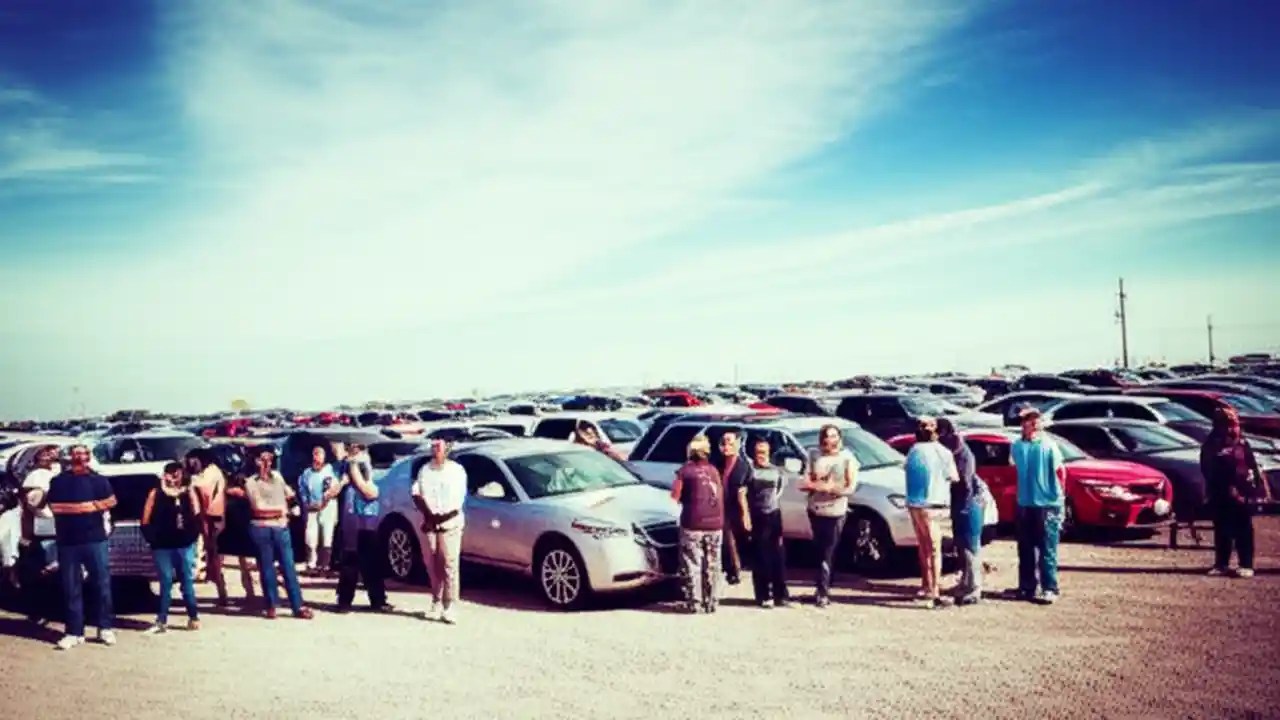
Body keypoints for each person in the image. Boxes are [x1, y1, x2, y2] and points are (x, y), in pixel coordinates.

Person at [45, 444, 117, 650]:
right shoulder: (59, 482)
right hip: (68, 542)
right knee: (71, 587)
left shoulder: (99, 480)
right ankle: (74, 632)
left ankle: (105, 628)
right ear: (69, 458)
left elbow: (111, 501)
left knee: (102, 584)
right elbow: (55, 507)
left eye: (84, 455)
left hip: (96, 539)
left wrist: (92, 506)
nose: (80, 459)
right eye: (76, 455)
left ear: (88, 457)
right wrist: (83, 507)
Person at [1201, 406, 1272, 578]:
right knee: (1222, 530)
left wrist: (1254, 487)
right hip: (1221, 494)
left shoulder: (1243, 443)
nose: (1233, 429)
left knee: (1244, 530)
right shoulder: (1212, 445)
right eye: (1228, 425)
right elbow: (1207, 468)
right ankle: (1221, 564)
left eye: (1235, 425)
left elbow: (1252, 467)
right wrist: (1220, 486)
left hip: (1243, 494)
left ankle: (1246, 564)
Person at [242, 447, 312, 619]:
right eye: (262, 459)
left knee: (288, 567)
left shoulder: (278, 477)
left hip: (281, 527)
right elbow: (257, 509)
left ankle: (298, 605)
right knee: (267, 568)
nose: (266, 463)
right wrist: (281, 511)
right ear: (255, 461)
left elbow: (290, 494)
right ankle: (271, 605)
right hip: (261, 527)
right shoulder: (250, 482)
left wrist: (291, 502)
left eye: (269, 459)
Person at [1009, 408, 1066, 604]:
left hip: (1048, 504)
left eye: (1034, 420)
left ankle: (1050, 587)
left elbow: (1061, 472)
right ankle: (1026, 586)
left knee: (1047, 548)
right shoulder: (1016, 446)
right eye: (1026, 420)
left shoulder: (1049, 446)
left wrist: (1060, 501)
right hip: (1024, 502)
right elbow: (1014, 468)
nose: (1030, 424)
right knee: (1024, 548)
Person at [799, 424, 857, 608]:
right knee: (818, 551)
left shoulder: (847, 458)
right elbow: (804, 481)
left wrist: (832, 488)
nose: (829, 440)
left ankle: (823, 592)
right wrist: (817, 486)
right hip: (815, 509)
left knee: (828, 551)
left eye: (833, 436)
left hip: (836, 510)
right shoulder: (814, 455)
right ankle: (821, 588)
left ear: (839, 438)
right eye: (826, 436)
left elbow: (851, 487)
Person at [141, 462, 202, 633]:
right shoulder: (156, 493)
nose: (173, 478)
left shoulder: (188, 492)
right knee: (166, 581)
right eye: (170, 474)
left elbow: (197, 514)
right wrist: (152, 539)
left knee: (186, 581)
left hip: (184, 544)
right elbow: (145, 518)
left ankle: (193, 616)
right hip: (162, 545)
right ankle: (162, 620)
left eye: (177, 474)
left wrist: (193, 536)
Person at [411, 438, 467, 623]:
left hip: (450, 522)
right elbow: (417, 494)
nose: (435, 450)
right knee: (432, 563)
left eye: (439, 447)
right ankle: (436, 600)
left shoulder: (456, 471)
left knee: (449, 564)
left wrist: (440, 519)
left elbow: (457, 500)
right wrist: (429, 516)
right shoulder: (425, 470)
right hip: (429, 523)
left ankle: (450, 604)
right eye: (433, 447)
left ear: (447, 449)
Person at [904, 417, 958, 609]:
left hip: (914, 503)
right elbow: (954, 477)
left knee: (923, 547)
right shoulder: (943, 452)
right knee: (933, 548)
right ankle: (934, 589)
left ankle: (926, 585)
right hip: (933, 503)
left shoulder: (913, 450)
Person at [336, 442, 392, 614]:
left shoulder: (370, 471)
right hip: (351, 518)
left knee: (371, 562)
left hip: (368, 519)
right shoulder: (345, 469)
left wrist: (355, 472)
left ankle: (377, 599)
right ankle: (344, 601)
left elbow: (370, 492)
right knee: (349, 560)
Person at [669, 435, 724, 614]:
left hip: (693, 522)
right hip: (716, 523)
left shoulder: (684, 471)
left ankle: (695, 601)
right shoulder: (714, 470)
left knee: (693, 562)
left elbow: (675, 497)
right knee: (713, 562)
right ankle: (712, 600)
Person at [937, 418, 983, 605]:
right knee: (962, 548)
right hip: (960, 504)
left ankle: (974, 588)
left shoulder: (962, 454)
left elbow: (964, 483)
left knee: (971, 547)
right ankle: (965, 583)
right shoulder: (953, 452)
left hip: (968, 504)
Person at [742, 437, 791, 608]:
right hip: (757, 516)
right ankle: (763, 595)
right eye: (757, 453)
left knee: (778, 555)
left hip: (774, 515)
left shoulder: (777, 472)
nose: (760, 456)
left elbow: (778, 494)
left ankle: (781, 595)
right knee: (760, 556)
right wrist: (746, 516)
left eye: (763, 452)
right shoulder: (749, 471)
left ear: (769, 453)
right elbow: (743, 494)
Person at [187, 449, 236, 605]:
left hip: (216, 517)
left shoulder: (213, 472)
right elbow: (195, 498)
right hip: (205, 519)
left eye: (194, 460)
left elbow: (213, 492)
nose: (191, 464)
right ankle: (220, 590)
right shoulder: (196, 477)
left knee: (216, 555)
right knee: (211, 554)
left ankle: (223, 592)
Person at [716, 430, 752, 586]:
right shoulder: (717, 463)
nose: (726, 447)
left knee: (733, 539)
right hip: (720, 507)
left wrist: (746, 514)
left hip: (736, 508)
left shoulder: (743, 466)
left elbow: (746, 490)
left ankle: (735, 569)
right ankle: (733, 569)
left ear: (737, 445)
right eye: (723, 443)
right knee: (727, 538)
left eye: (730, 443)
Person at [20, 445, 62, 575]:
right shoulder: (35, 476)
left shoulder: (59, 470)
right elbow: (31, 503)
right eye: (45, 451)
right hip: (45, 522)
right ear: (37, 456)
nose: (49, 453)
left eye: (53, 449)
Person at [298, 446, 339, 575]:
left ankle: (325, 565)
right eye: (315, 454)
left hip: (328, 507)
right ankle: (311, 563)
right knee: (311, 537)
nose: (317, 457)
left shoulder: (330, 471)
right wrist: (307, 503)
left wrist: (325, 501)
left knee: (327, 536)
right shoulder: (306, 474)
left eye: (319, 454)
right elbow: (302, 490)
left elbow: (334, 488)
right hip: (312, 508)